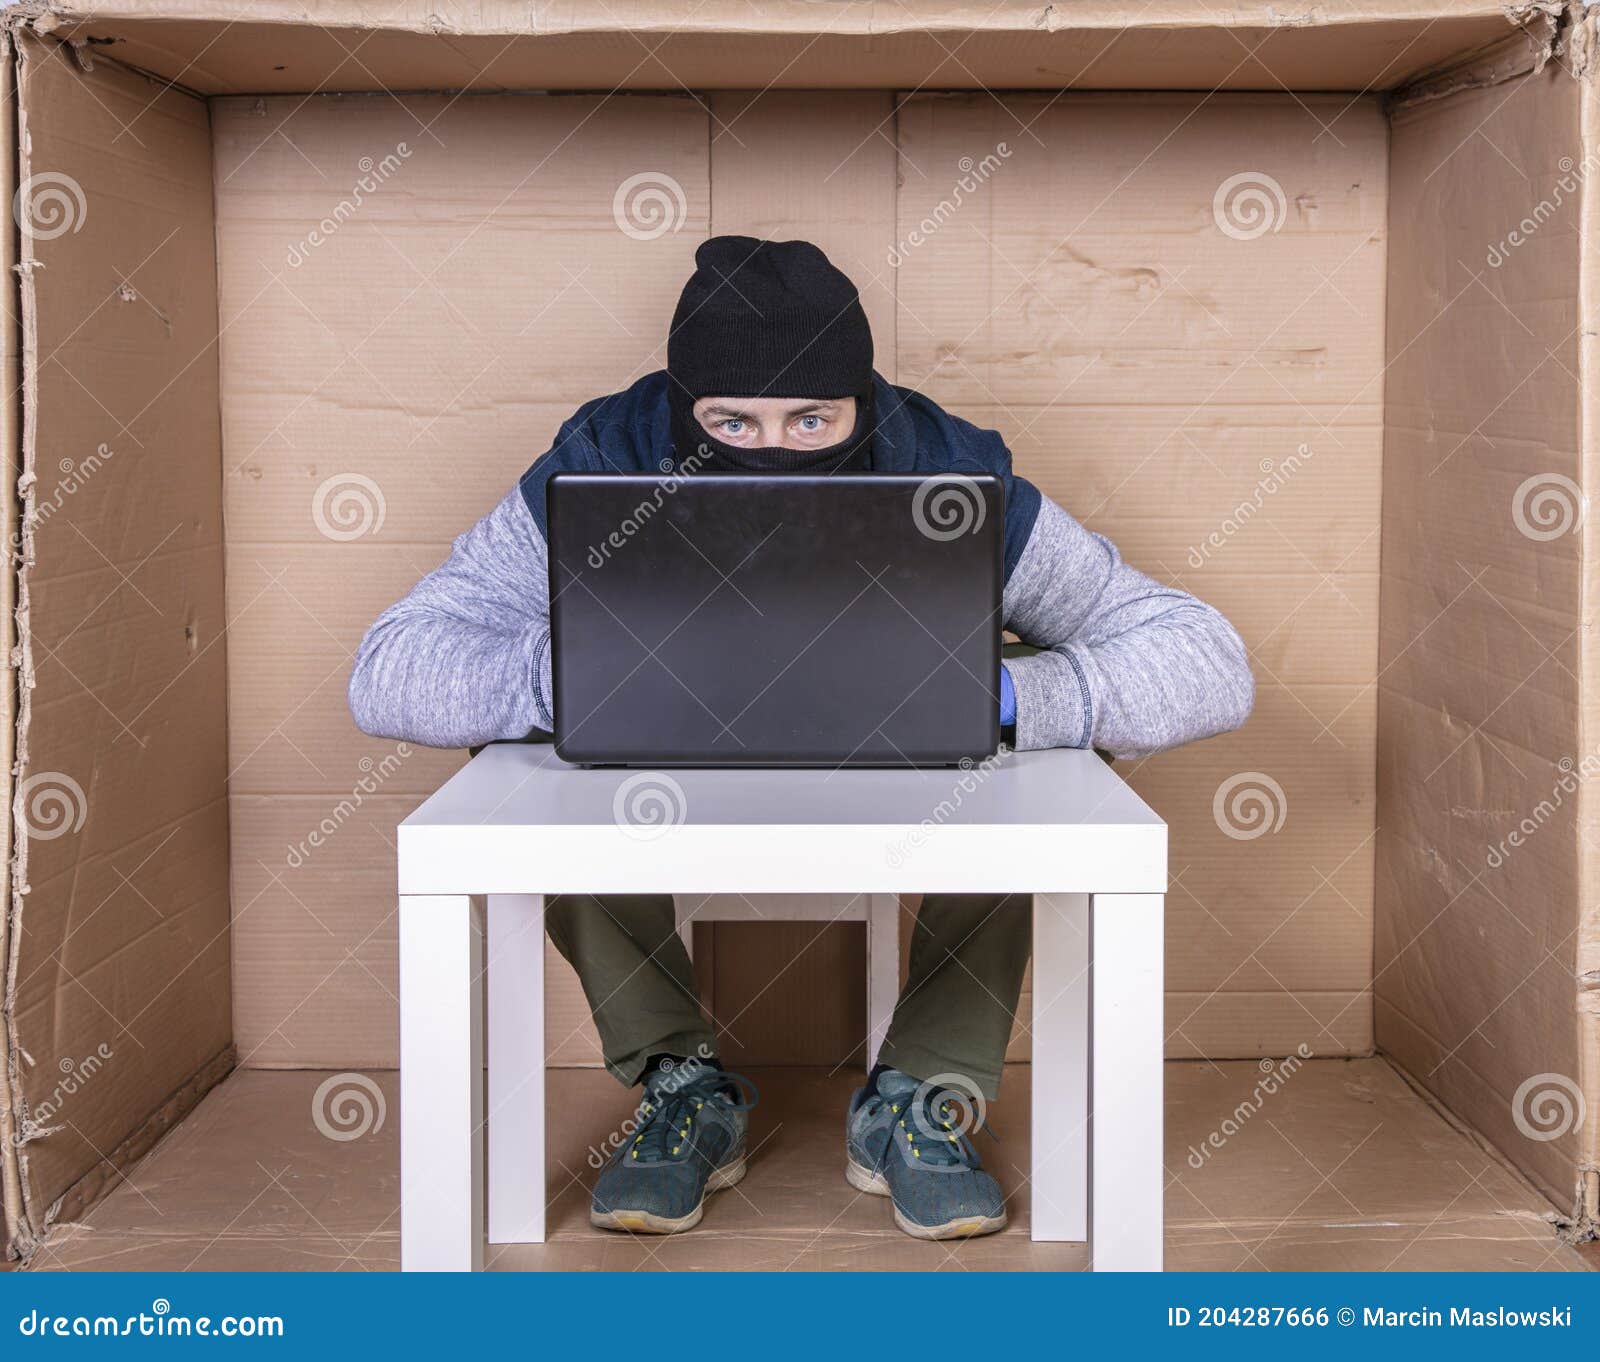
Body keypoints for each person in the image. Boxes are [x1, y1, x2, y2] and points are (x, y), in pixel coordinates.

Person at [349, 236, 1254, 1242]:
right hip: (657, 775)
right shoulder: (603, 458)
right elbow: (388, 668)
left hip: (908, 772)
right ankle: (679, 1082)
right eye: (730, 420)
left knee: (1055, 760)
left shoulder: (945, 467)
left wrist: (991, 694)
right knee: (512, 756)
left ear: (860, 405)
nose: (769, 447)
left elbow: (1207, 660)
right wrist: (580, 678)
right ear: (681, 404)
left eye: (810, 420)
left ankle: (922, 1094)